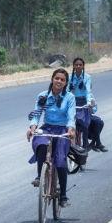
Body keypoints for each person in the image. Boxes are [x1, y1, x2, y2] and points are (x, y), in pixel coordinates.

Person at [27, 68, 76, 207]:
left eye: (62, 80)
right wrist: (32, 128)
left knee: (60, 161)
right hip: (47, 127)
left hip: (62, 130)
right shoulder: (43, 96)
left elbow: (71, 116)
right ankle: (39, 177)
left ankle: (63, 196)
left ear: (66, 83)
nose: (59, 81)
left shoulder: (69, 97)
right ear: (52, 79)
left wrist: (71, 129)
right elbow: (36, 115)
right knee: (41, 144)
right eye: (57, 78)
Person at [68, 57, 95, 150]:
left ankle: (85, 144)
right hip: (73, 101)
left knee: (84, 123)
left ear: (83, 66)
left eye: (80, 65)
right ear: (73, 66)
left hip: (83, 101)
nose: (78, 66)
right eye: (76, 65)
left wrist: (88, 103)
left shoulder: (87, 77)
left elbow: (88, 91)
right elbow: (67, 91)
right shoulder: (69, 77)